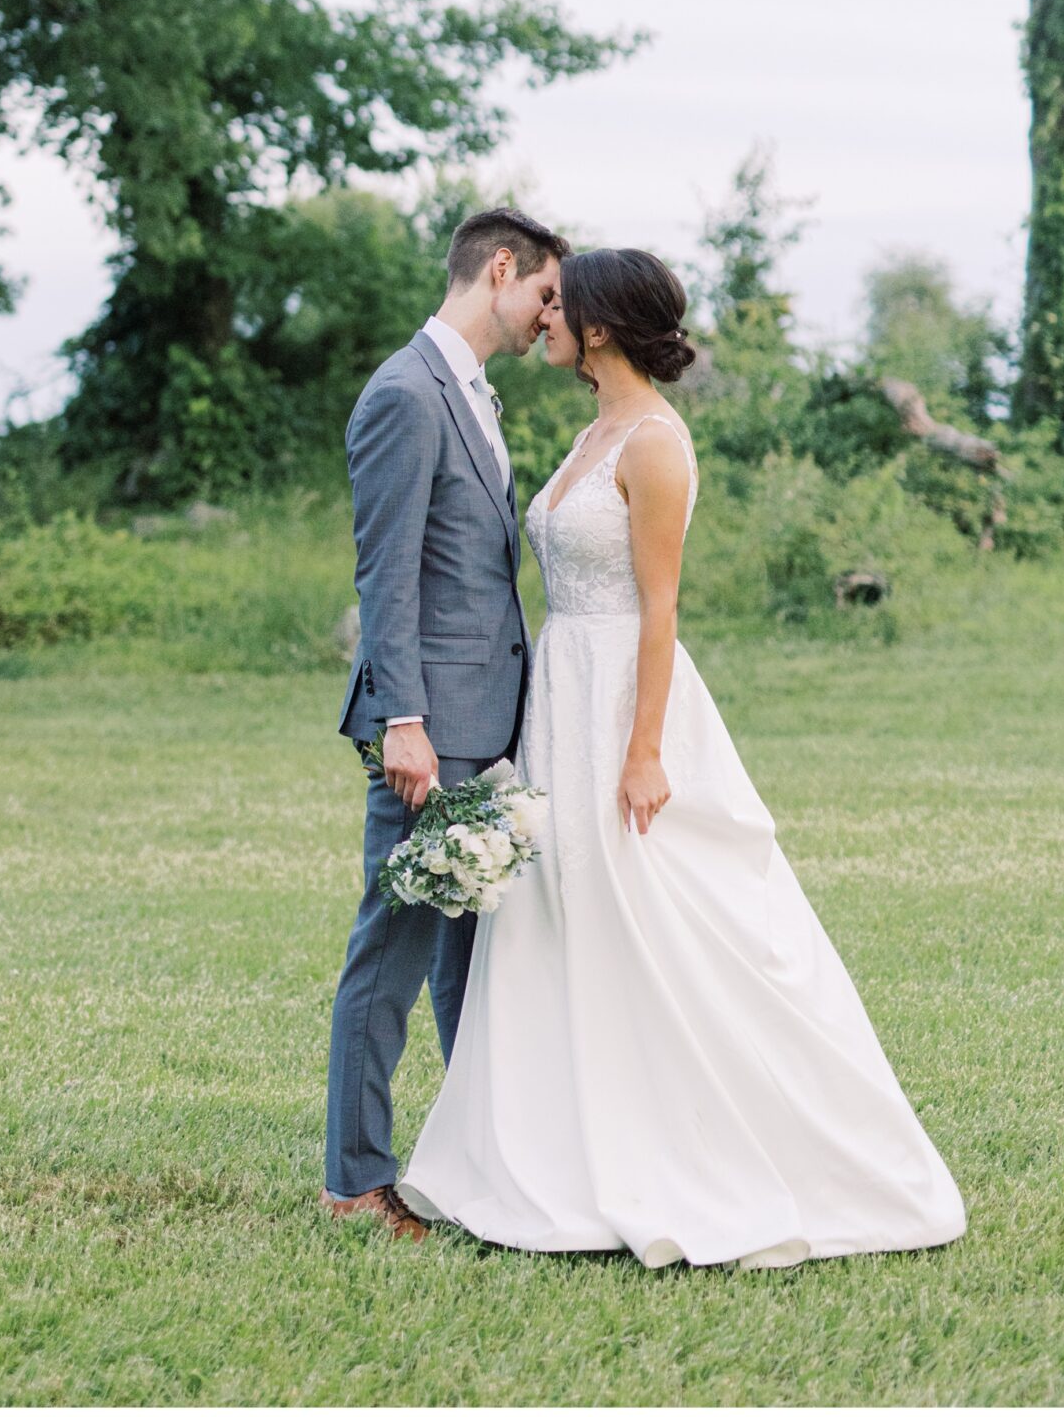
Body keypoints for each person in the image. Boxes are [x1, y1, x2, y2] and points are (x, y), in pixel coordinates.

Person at [397, 247, 967, 1268]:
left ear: (600, 327)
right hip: (560, 696)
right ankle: (558, 1148)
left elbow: (659, 607)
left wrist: (644, 751)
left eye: (559, 307)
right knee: (564, 915)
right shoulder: (591, 432)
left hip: (621, 696)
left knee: (654, 911)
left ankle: (733, 1146)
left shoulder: (655, 442)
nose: (542, 318)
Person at [319, 206, 568, 1242]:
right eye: (545, 293)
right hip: (430, 727)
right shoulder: (405, 392)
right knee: (392, 949)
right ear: (499, 269)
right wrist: (403, 719)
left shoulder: (468, 391)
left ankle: (481, 1167)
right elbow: (385, 576)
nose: (549, 315)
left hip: (486, 719)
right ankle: (354, 1180)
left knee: (470, 962)